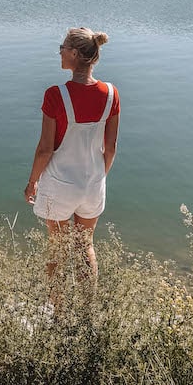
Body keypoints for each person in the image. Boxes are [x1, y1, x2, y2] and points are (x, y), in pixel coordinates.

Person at [24, 27, 120, 313]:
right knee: (85, 247)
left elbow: (45, 149)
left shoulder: (56, 95)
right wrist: (97, 177)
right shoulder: (111, 94)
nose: (60, 51)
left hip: (59, 184)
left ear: (76, 54)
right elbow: (111, 148)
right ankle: (86, 314)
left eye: (63, 47)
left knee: (58, 250)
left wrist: (32, 183)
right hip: (93, 183)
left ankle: (60, 314)